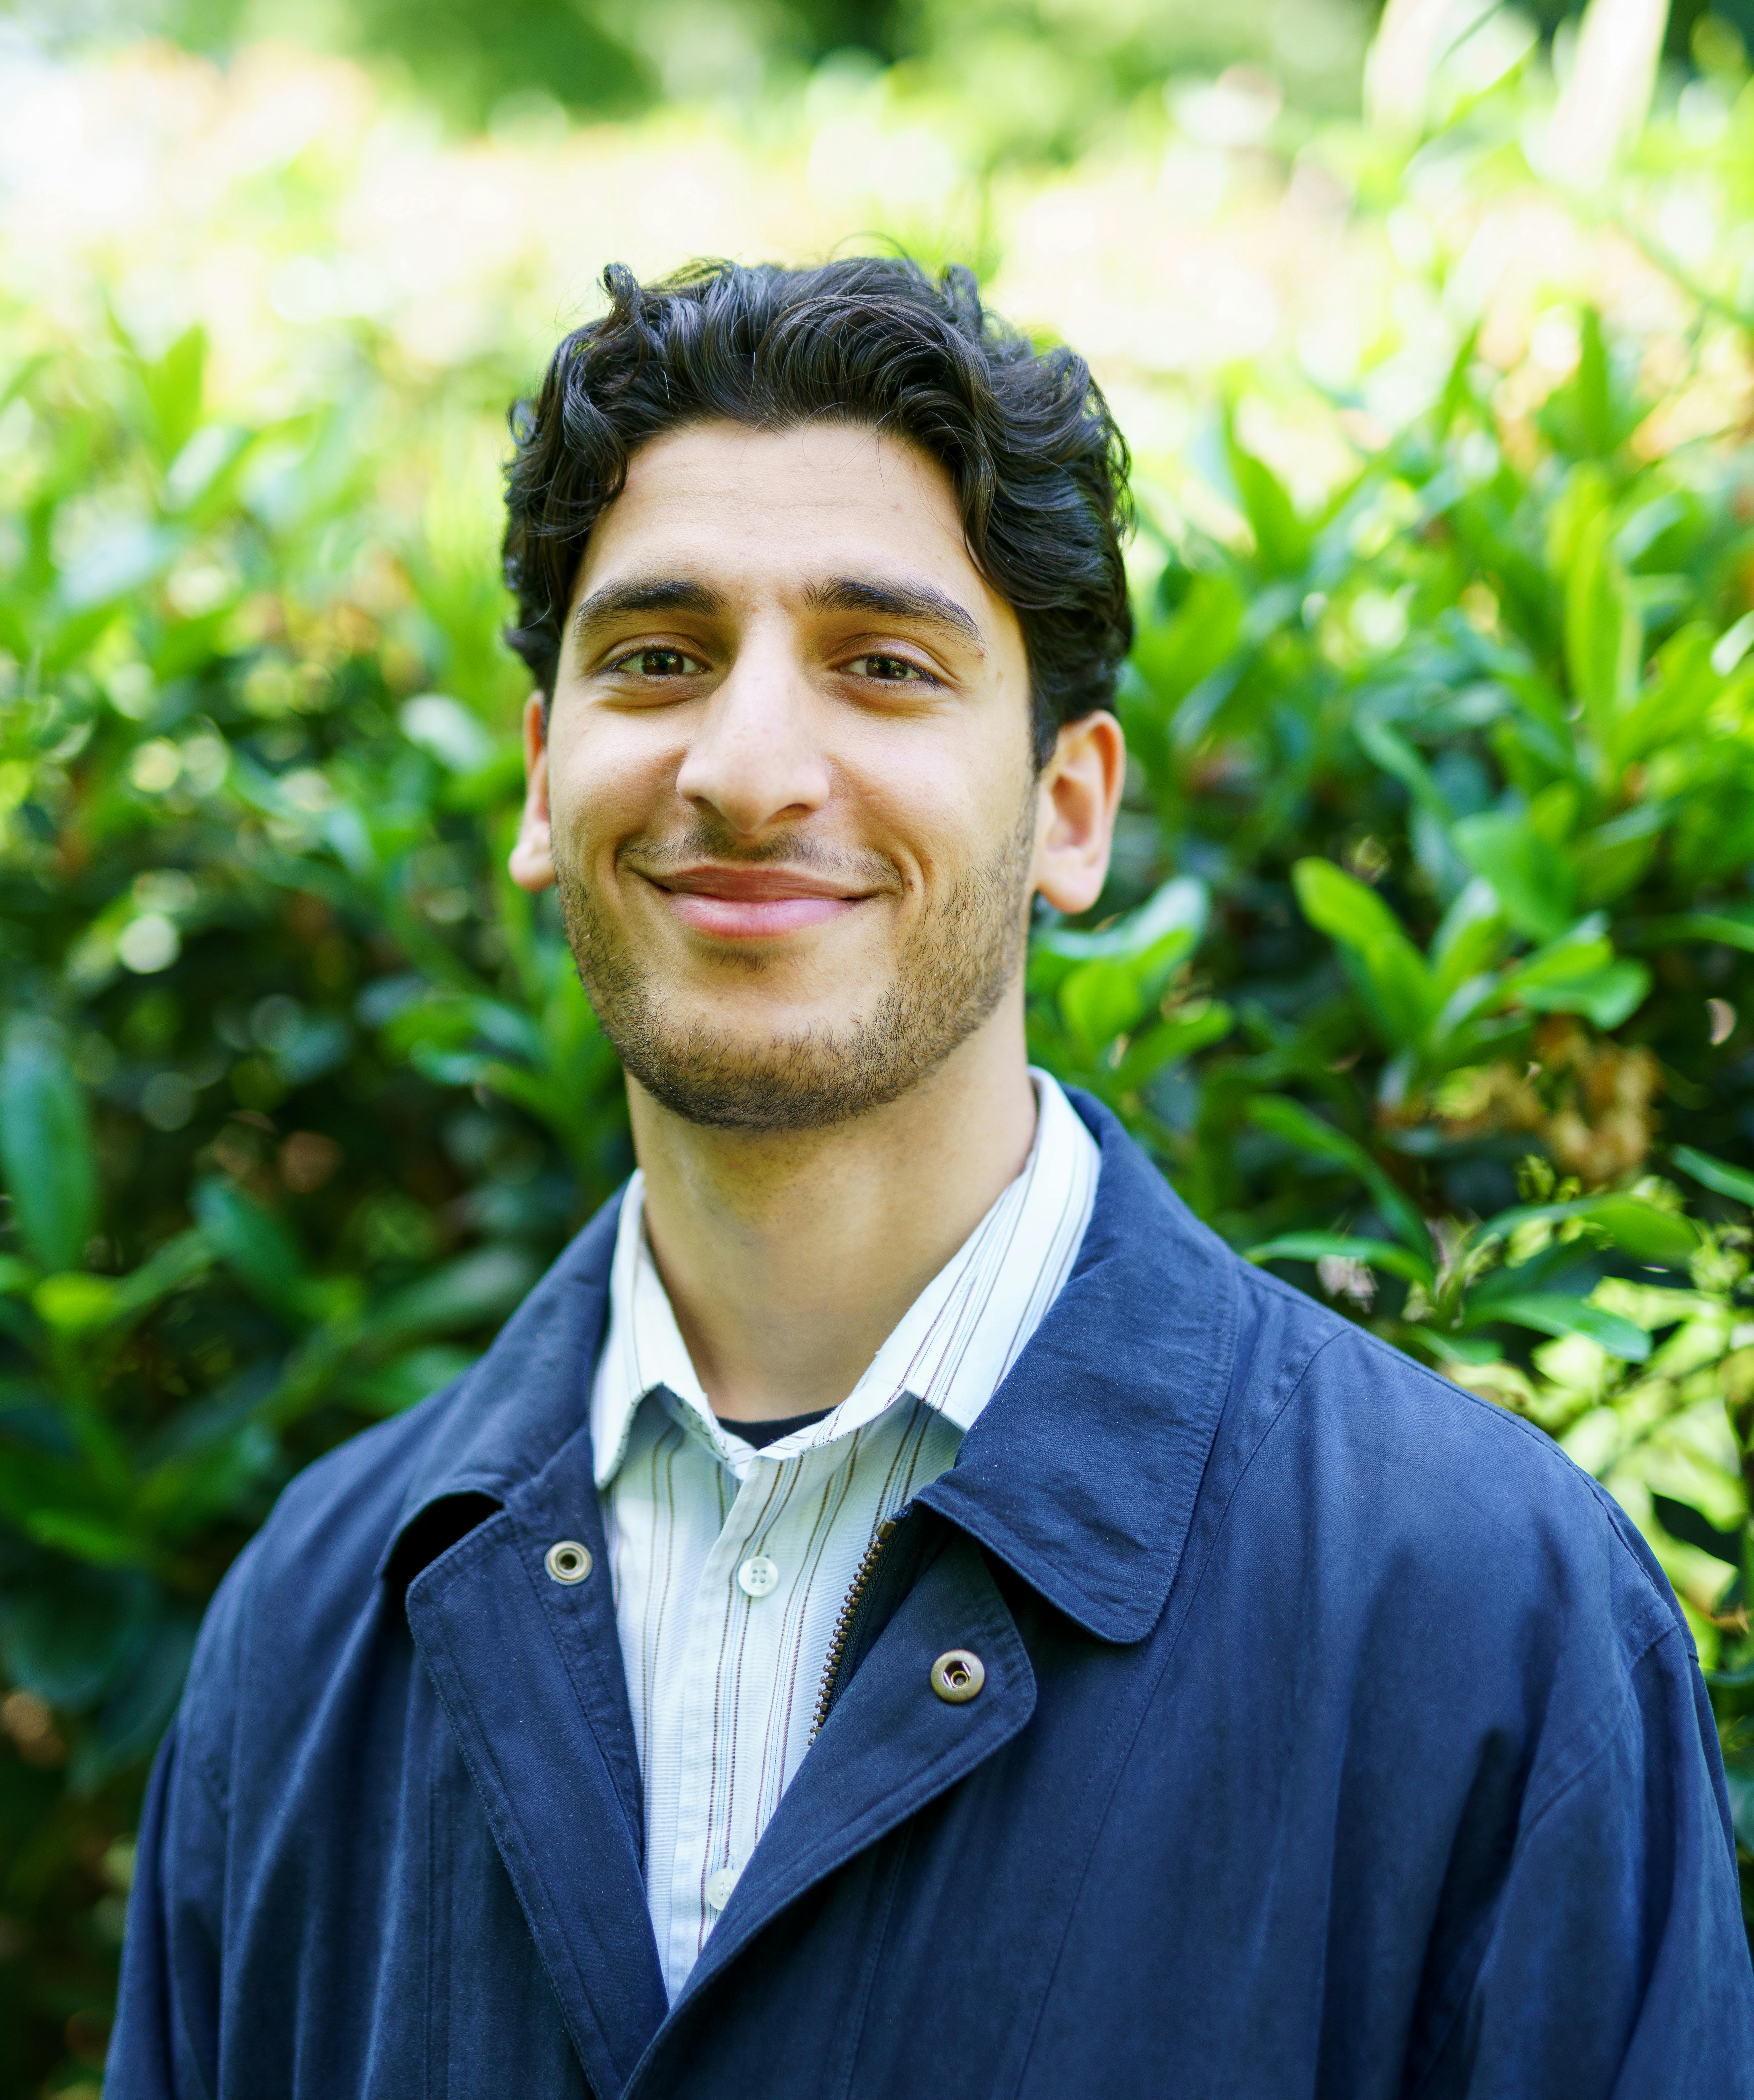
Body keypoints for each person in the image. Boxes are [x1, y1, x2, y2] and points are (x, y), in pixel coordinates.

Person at [110, 258, 1754, 2099]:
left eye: (882, 665)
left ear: (1067, 807)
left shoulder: (1481, 1620)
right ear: (538, 775)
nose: (742, 767)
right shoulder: (312, 1625)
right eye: (655, 657)